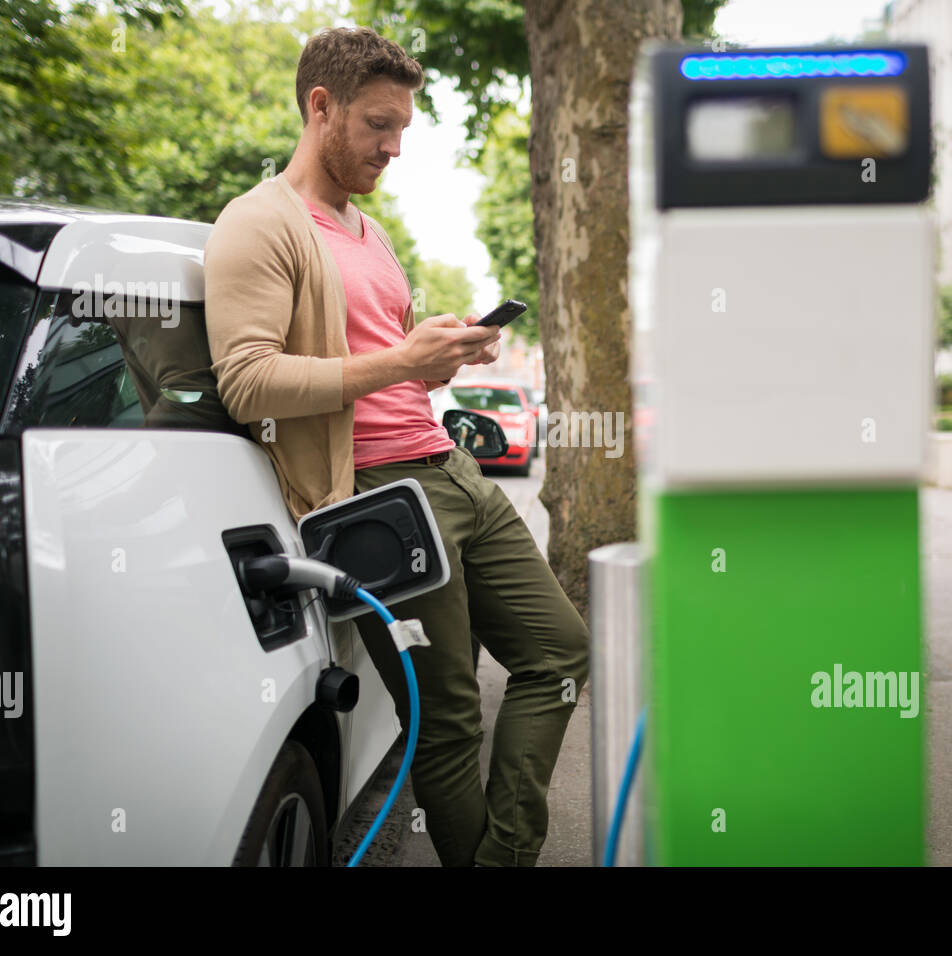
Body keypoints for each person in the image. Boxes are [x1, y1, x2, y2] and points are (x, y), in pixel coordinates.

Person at [203, 25, 589, 868]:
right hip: (376, 500)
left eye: (404, 128)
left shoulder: (370, 234)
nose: (395, 147)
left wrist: (441, 355)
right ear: (320, 107)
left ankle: (505, 853)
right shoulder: (257, 224)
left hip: (453, 470)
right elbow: (248, 380)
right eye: (380, 125)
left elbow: (391, 368)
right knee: (445, 715)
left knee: (561, 651)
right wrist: (400, 359)